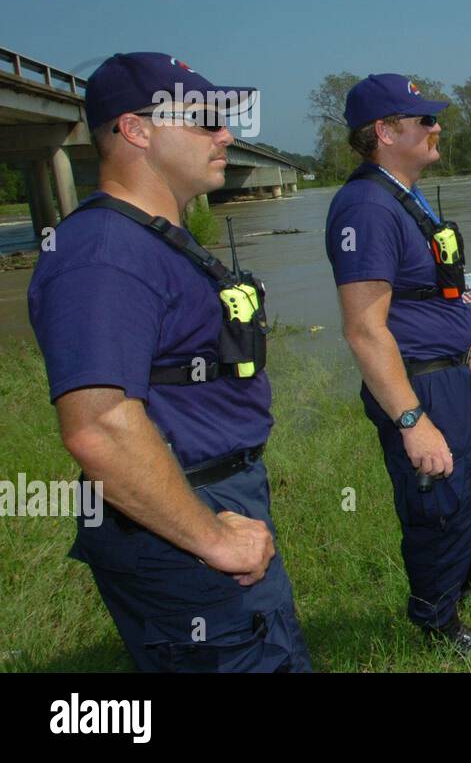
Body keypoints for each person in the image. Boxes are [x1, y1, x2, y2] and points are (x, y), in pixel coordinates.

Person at [27, 52, 311, 672]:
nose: (227, 134)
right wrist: (211, 539)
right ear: (137, 129)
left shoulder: (155, 238)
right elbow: (98, 426)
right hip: (180, 522)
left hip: (209, 501)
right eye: (206, 119)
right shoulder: (102, 254)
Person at [325, 73, 471, 657]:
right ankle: (436, 620)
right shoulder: (366, 206)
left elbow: (425, 290)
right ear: (384, 131)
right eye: (423, 119)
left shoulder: (405, 194)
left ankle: (466, 584)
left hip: (448, 370)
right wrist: (411, 420)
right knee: (438, 507)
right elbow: (364, 329)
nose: (436, 126)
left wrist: (461, 342)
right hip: (417, 384)